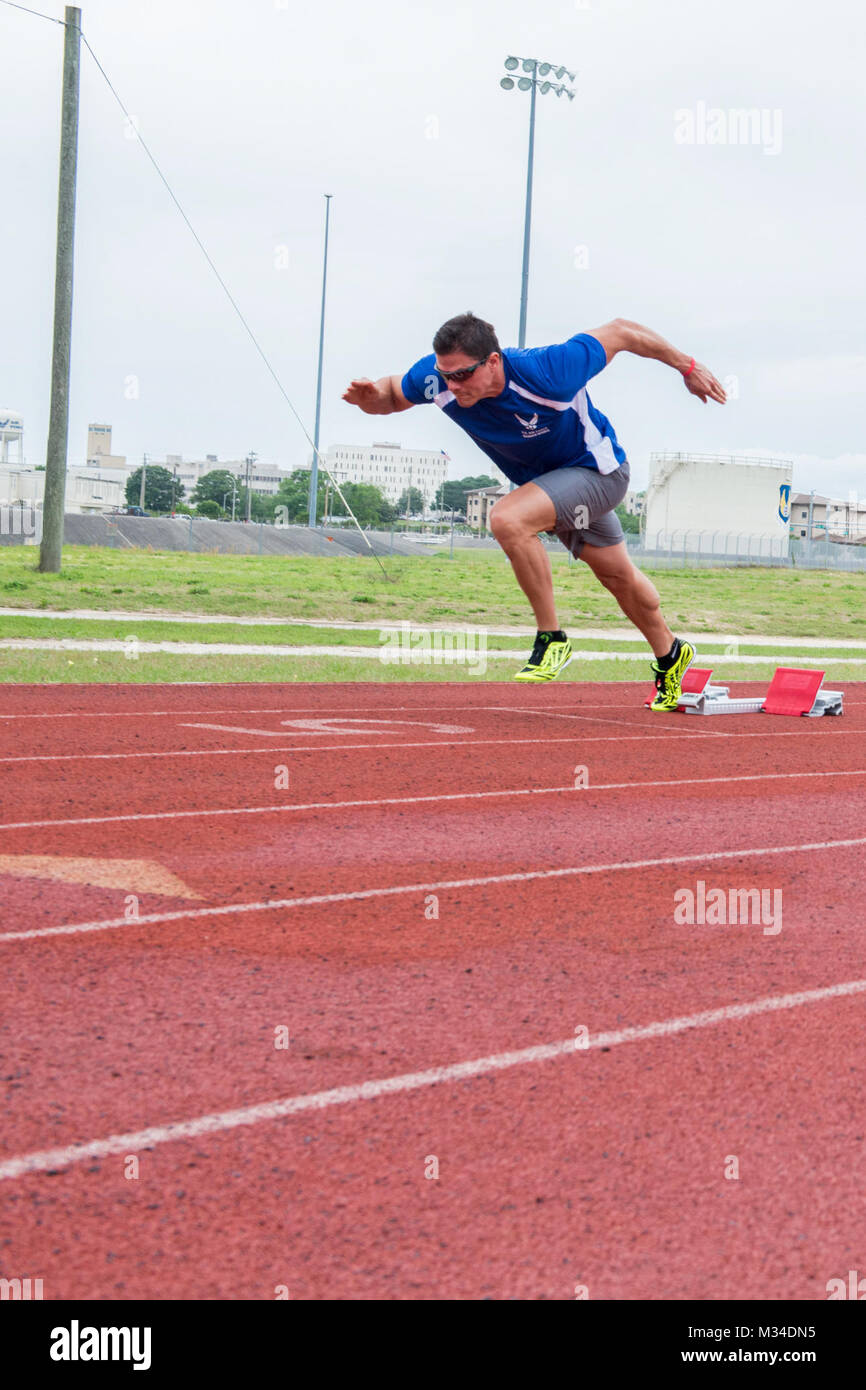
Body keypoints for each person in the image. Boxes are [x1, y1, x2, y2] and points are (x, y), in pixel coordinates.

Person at [342, 313, 726, 709]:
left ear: (493, 361)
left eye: (461, 375)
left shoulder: (550, 370)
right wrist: (370, 400)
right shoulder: (436, 378)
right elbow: (391, 393)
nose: (451, 386)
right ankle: (671, 654)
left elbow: (622, 331)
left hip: (598, 473)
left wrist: (689, 367)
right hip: (551, 488)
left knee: (508, 519)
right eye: (445, 375)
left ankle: (551, 639)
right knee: (618, 576)